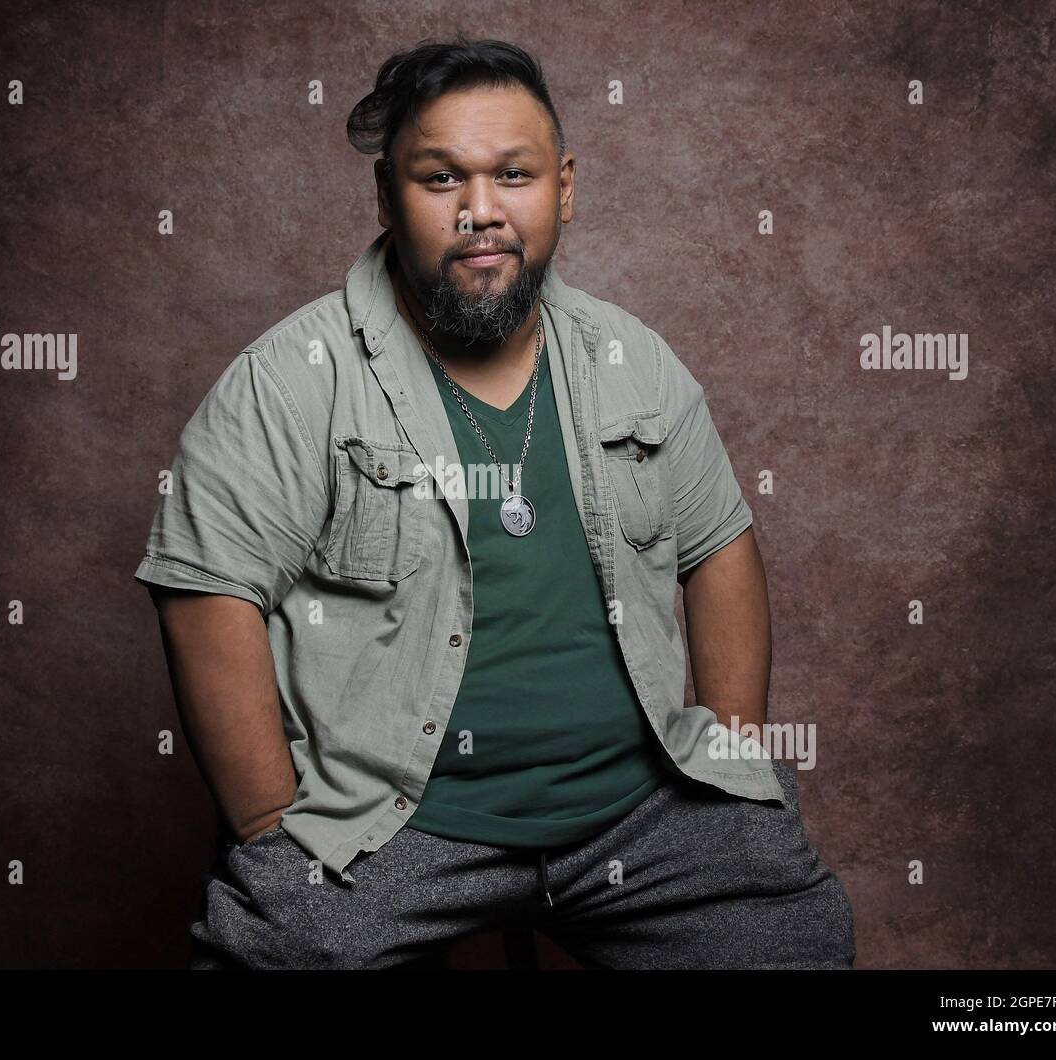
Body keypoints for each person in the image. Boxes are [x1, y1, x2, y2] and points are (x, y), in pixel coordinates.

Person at [134, 35, 855, 970]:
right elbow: (206, 595)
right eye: (441, 180)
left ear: (564, 187)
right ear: (388, 196)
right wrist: (274, 828)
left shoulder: (632, 360)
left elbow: (718, 546)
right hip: (389, 826)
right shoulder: (288, 380)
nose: (482, 211)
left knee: (795, 942)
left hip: (638, 812)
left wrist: (730, 758)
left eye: (512, 175)